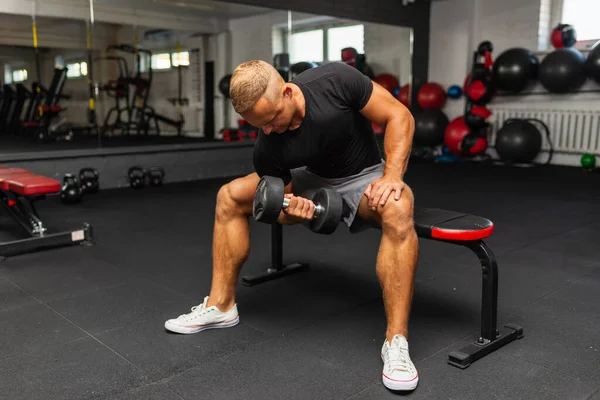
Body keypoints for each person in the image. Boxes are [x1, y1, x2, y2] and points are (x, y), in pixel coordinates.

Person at [165, 60, 419, 391]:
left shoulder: (335, 81)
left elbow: (399, 115)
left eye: (272, 120)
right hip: (310, 179)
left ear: (287, 91)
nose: (268, 130)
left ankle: (396, 341)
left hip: (364, 176)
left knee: (399, 210)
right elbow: (278, 206)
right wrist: (295, 211)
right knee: (229, 196)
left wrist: (393, 176)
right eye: (259, 126)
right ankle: (221, 304)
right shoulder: (267, 144)